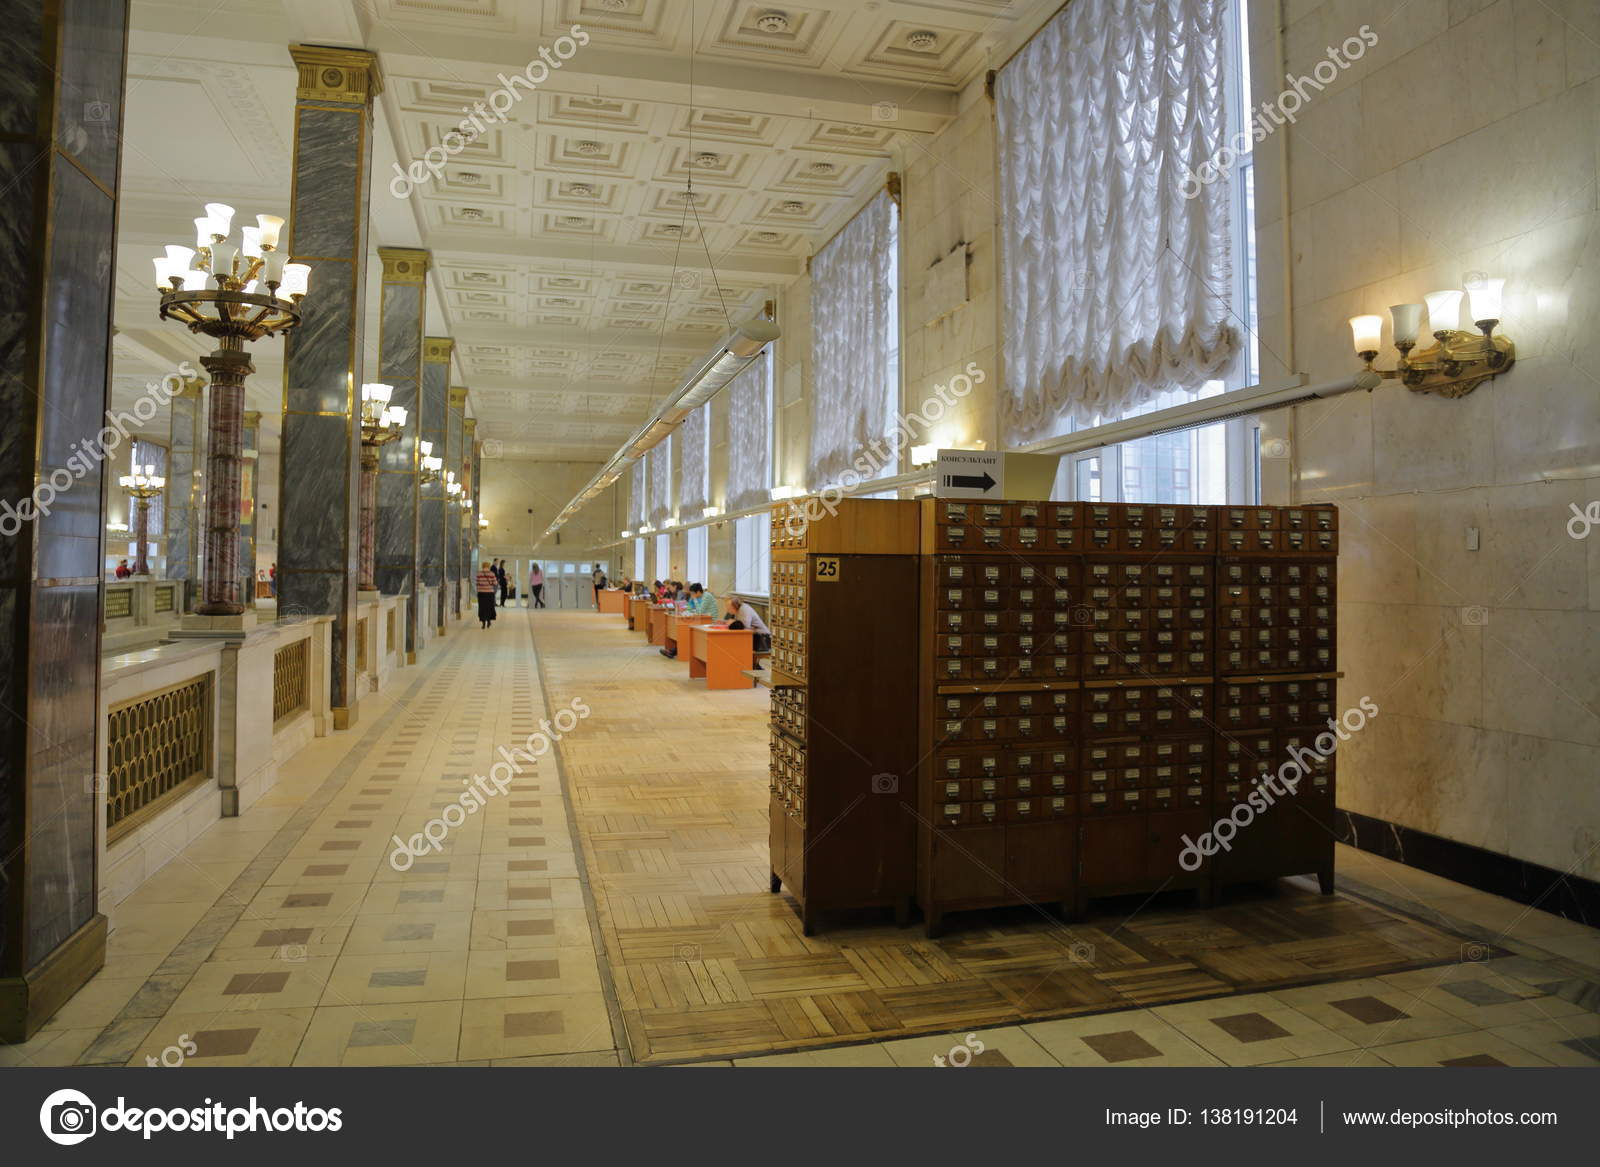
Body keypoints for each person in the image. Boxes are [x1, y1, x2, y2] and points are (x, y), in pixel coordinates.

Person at [475, 562, 498, 628]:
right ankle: (489, 621)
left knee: (482, 607)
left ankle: (483, 623)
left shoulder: (479, 574)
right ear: (488, 566)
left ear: (482, 566)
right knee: (489, 607)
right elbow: (495, 583)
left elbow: (477, 583)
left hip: (481, 593)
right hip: (489, 593)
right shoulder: (492, 574)